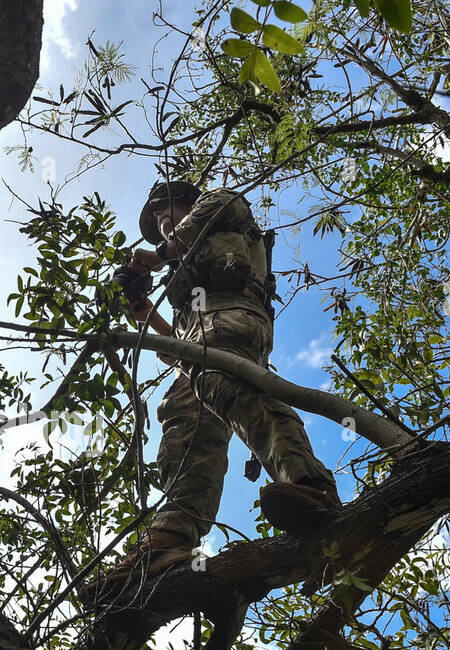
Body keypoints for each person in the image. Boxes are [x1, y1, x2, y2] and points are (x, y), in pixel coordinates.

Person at [97, 179, 341, 584]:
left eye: (164, 214)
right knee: (184, 425)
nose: (161, 225)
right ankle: (171, 538)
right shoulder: (181, 273)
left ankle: (311, 488)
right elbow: (177, 346)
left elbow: (220, 205)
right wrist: (139, 308)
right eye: (155, 222)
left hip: (232, 321)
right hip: (199, 348)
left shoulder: (217, 205)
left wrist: (155, 256)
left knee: (231, 388)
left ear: (184, 204)